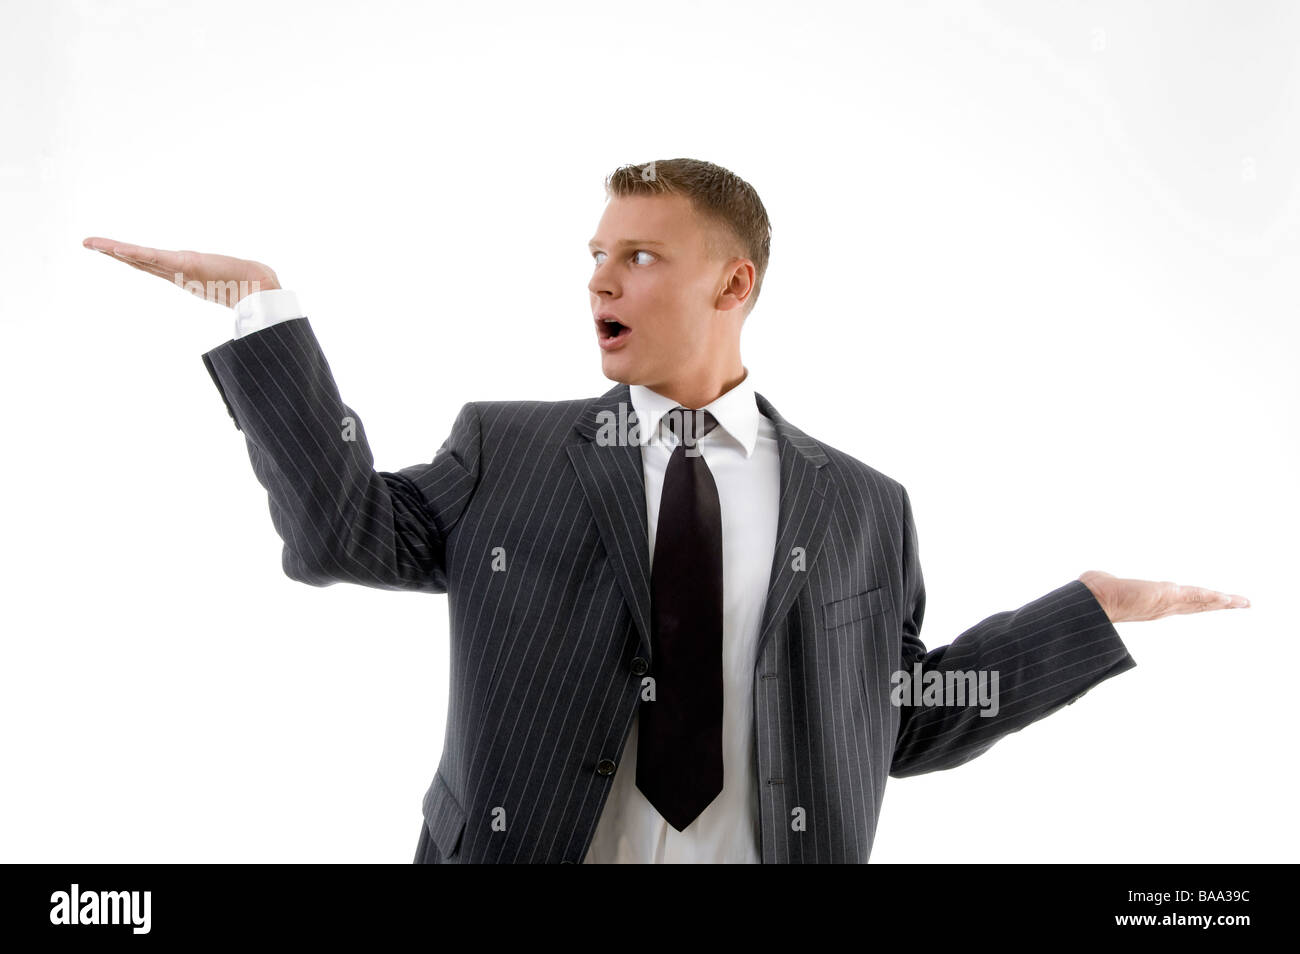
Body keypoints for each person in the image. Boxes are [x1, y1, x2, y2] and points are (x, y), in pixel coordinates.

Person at [83, 157, 1250, 864]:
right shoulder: (511, 447)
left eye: (638, 255)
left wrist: (1085, 615)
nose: (599, 278)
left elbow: (894, 720)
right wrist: (261, 315)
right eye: (594, 253)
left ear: (732, 285)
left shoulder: (861, 508)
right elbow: (345, 535)